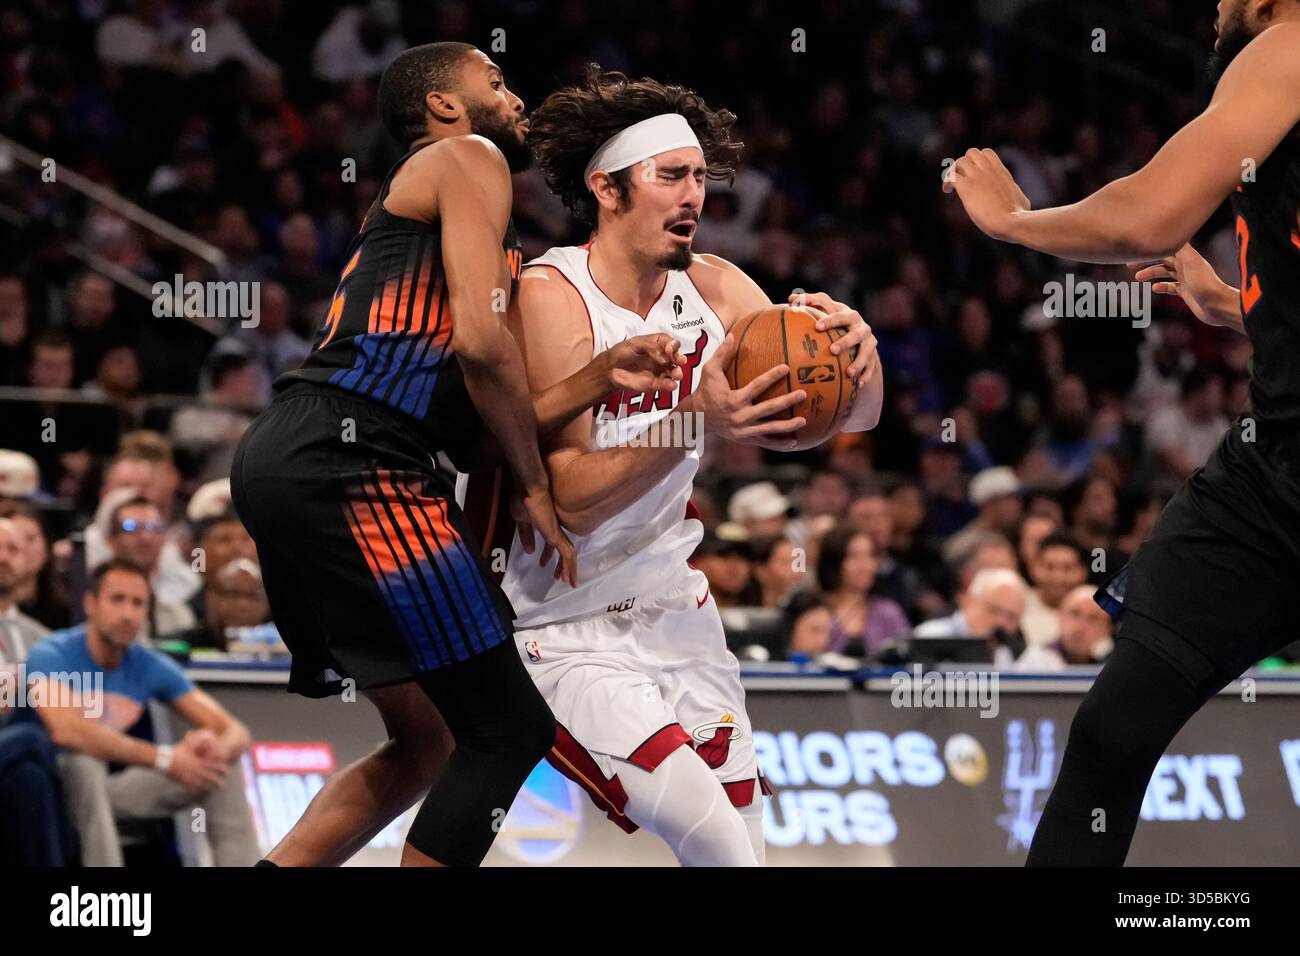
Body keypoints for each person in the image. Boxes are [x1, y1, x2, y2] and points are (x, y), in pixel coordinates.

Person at [229, 43, 679, 868]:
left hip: (302, 460)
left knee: (425, 742)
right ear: (442, 106)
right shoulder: (465, 156)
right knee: (509, 731)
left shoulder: (464, 225)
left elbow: (480, 425)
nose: (516, 99)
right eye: (498, 82)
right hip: (353, 463)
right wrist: (538, 487)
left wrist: (598, 375)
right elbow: (481, 344)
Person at [493, 65, 884, 865]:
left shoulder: (714, 285)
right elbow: (566, 497)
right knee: (720, 849)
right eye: (671, 175)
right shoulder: (553, 296)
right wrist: (690, 422)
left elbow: (851, 417)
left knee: (747, 848)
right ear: (607, 188)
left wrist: (860, 358)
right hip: (566, 624)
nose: (693, 196)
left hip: (677, 610)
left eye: (700, 177)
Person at [946, 0, 1300, 865]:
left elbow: (1150, 215)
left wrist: (1014, 223)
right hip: (1271, 474)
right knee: (1113, 728)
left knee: (1114, 734)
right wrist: (1237, 306)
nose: (1213, 4)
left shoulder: (1289, 45)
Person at [23, 558, 259, 866]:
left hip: (108, 794)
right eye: (117, 600)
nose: (127, 614)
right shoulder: (51, 653)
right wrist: (165, 758)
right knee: (82, 763)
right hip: (45, 793)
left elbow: (236, 731)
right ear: (91, 604)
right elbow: (68, 731)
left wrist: (211, 750)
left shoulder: (146, 663)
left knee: (218, 769)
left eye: (138, 604)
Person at [815, 527, 910, 658]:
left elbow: (907, 660)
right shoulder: (814, 611)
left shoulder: (889, 613)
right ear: (834, 561)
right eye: (854, 556)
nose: (865, 565)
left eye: (870, 556)